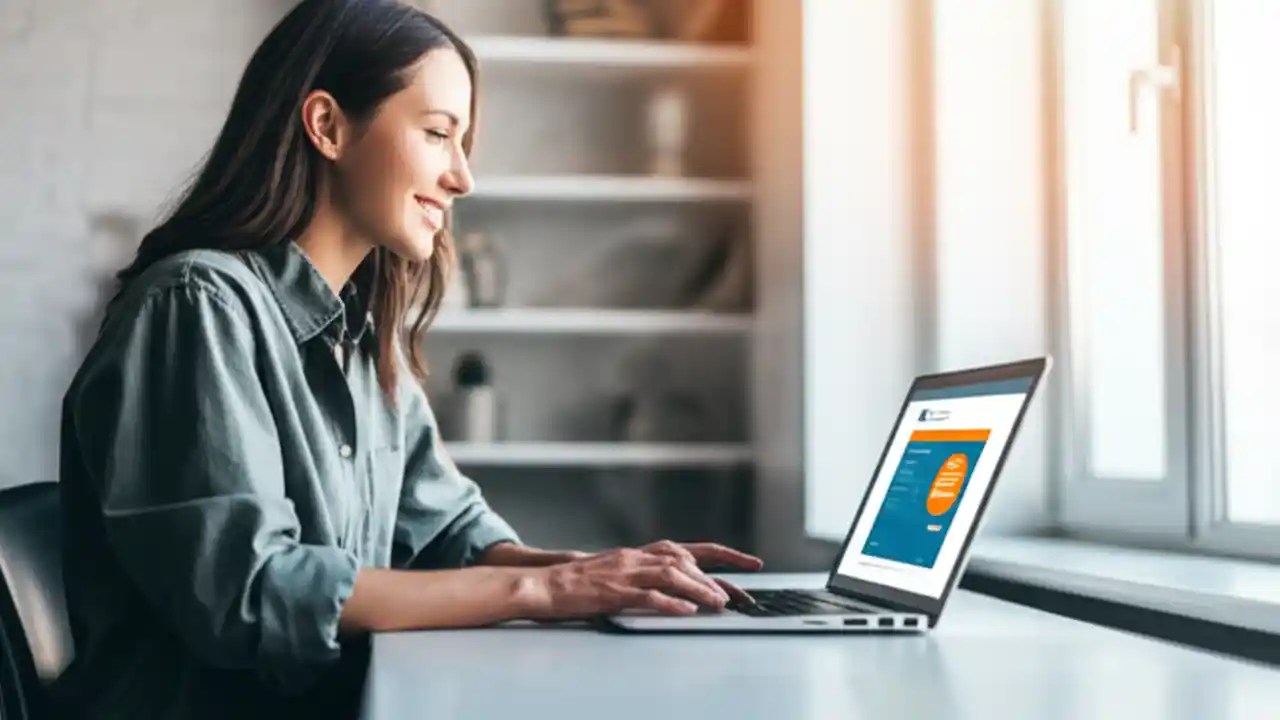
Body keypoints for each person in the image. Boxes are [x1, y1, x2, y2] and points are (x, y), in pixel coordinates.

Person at [50, 1, 762, 717]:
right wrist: (546, 591)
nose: (462, 179)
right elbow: (253, 593)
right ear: (327, 126)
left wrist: (604, 574)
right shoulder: (195, 305)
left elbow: (449, 536)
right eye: (436, 134)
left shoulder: (362, 335)